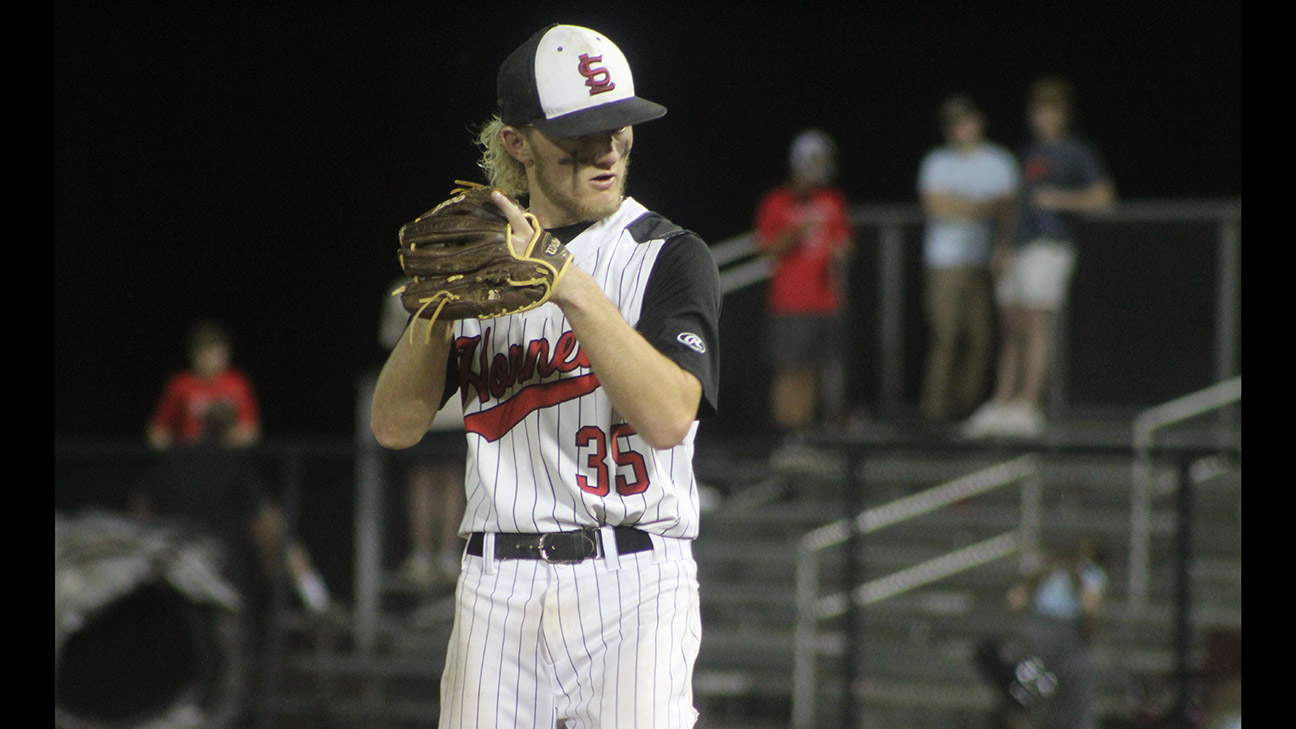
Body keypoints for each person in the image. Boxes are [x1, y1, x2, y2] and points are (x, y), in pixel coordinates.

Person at [370, 23, 721, 729]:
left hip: (633, 579)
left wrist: (568, 284)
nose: (607, 148)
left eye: (618, 126)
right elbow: (394, 426)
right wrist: (437, 310)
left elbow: (668, 417)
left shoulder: (666, 255)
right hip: (497, 583)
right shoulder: (484, 257)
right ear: (517, 142)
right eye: (581, 133)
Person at [143, 320, 336, 618]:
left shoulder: (236, 383)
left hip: (234, 475)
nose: (210, 358)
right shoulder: (180, 385)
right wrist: (186, 449)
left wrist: (223, 440)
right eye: (203, 351)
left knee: (275, 534)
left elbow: (250, 432)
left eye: (216, 350)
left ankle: (316, 604)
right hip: (193, 480)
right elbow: (157, 434)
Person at [963, 77, 1115, 439]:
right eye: (1038, 110)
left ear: (1063, 114)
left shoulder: (1077, 151)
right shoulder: (1026, 153)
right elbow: (1014, 206)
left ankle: (1028, 404)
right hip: (1018, 246)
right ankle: (1003, 401)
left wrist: (1060, 199)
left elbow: (1104, 197)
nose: (1043, 117)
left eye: (1051, 110)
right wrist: (1002, 246)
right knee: (1011, 324)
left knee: (1036, 322)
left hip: (1050, 245)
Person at [916, 94, 1020, 426]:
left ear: (978, 121)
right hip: (944, 261)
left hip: (983, 260)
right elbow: (935, 206)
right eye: (952, 123)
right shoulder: (937, 161)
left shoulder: (999, 162)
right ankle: (934, 409)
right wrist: (981, 207)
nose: (959, 128)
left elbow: (1008, 209)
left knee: (981, 336)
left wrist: (1000, 243)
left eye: (965, 120)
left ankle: (966, 407)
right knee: (945, 333)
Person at [754, 128, 854, 451]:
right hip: (789, 303)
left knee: (812, 371)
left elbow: (844, 243)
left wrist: (840, 251)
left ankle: (804, 436)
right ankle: (785, 437)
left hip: (824, 301)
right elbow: (767, 249)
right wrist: (797, 232)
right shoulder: (776, 201)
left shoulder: (832, 199)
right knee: (789, 371)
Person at [379, 279, 467, 589]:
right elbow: (393, 343)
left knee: (451, 479)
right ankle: (423, 554)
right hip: (420, 403)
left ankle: (446, 553)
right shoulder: (400, 292)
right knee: (423, 480)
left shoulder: (466, 285)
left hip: (454, 405)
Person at [1003, 539, 1108, 729]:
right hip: (1067, 633)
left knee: (1034, 689)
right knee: (1076, 691)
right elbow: (1089, 608)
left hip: (1036, 629)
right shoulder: (1090, 572)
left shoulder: (1051, 568)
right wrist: (1090, 633)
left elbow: (1015, 600)